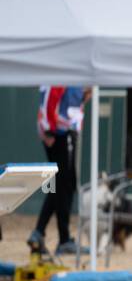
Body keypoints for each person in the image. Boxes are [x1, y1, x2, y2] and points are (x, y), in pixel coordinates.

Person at [29, 85, 87, 257]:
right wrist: (49, 130)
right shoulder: (66, 70)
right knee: (62, 184)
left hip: (60, 131)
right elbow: (52, 95)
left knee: (60, 184)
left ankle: (40, 233)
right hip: (60, 133)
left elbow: (68, 101)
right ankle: (61, 239)